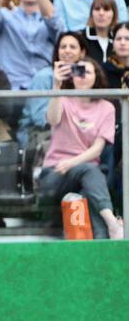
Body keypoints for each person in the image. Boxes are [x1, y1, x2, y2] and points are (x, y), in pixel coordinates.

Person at [38, 63, 123, 239]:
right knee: (91, 172)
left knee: (88, 191)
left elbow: (97, 150)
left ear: (96, 76)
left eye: (87, 72)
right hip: (56, 172)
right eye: (78, 72)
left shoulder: (107, 107)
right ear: (72, 76)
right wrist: (56, 86)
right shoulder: (63, 99)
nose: (82, 76)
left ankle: (102, 239)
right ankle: (112, 222)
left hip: (87, 172)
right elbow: (53, 120)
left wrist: (72, 162)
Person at [20, 32, 88, 146]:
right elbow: (40, 118)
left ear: (82, 53)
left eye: (72, 47)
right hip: (42, 134)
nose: (67, 50)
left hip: (79, 132)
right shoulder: (44, 76)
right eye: (63, 47)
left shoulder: (86, 76)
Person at [83, 0, 120, 64]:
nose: (101, 13)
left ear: (114, 14)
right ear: (91, 14)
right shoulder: (81, 38)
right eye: (97, 9)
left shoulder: (119, 39)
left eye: (106, 9)